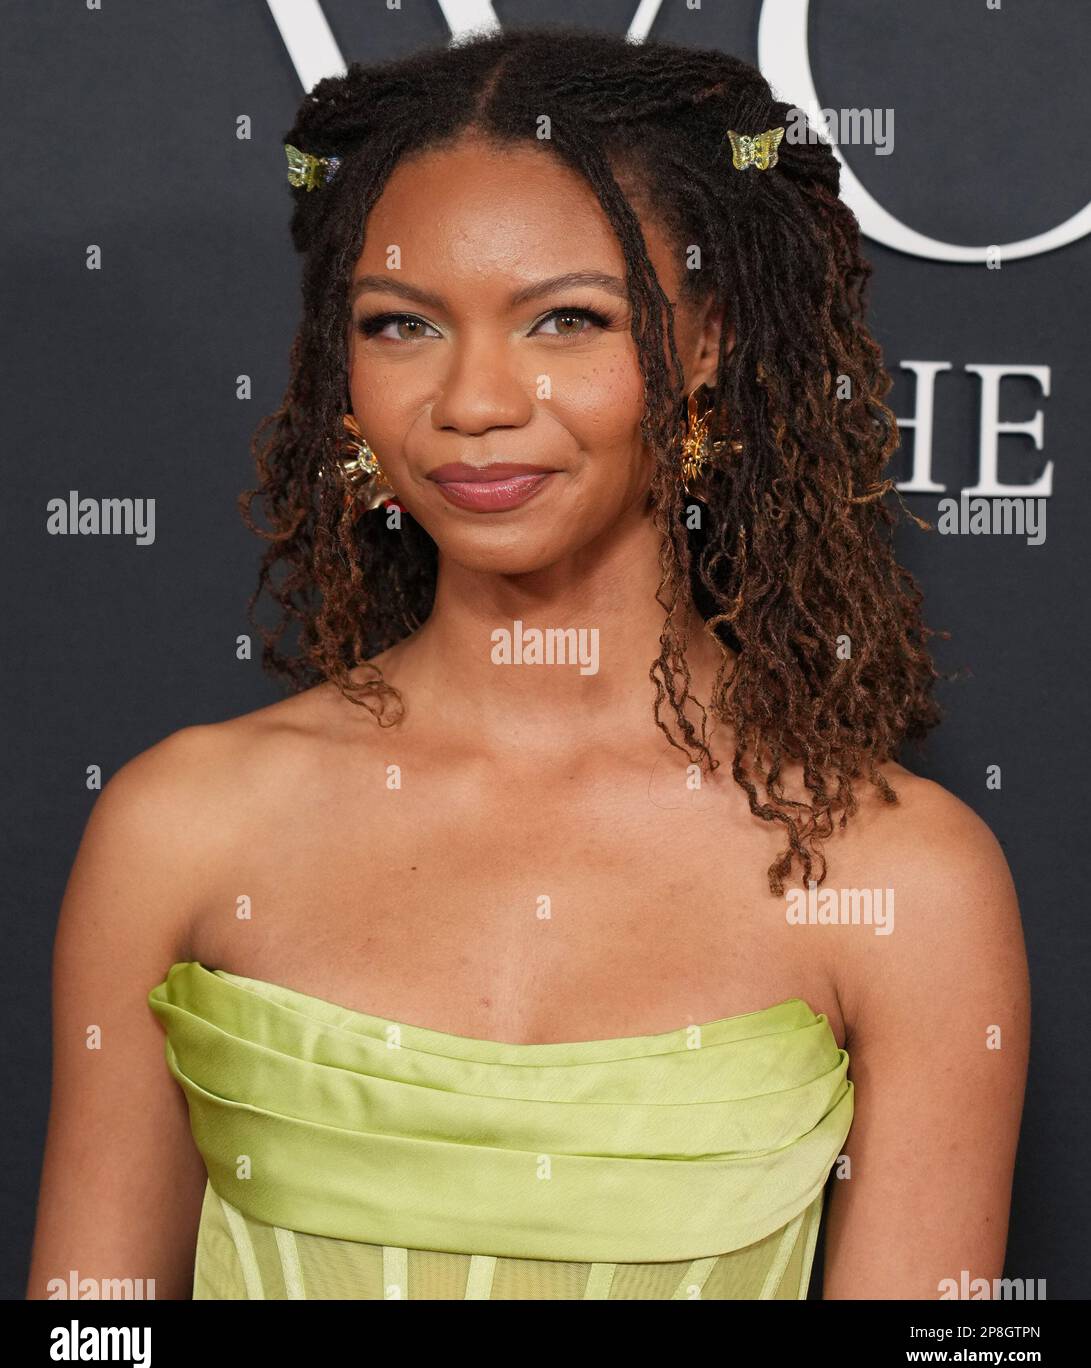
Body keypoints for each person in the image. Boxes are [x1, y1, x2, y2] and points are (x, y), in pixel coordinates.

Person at [27, 26, 1028, 1300]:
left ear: (706, 340)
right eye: (401, 326)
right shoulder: (181, 825)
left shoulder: (897, 875)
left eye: (565, 319)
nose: (474, 400)